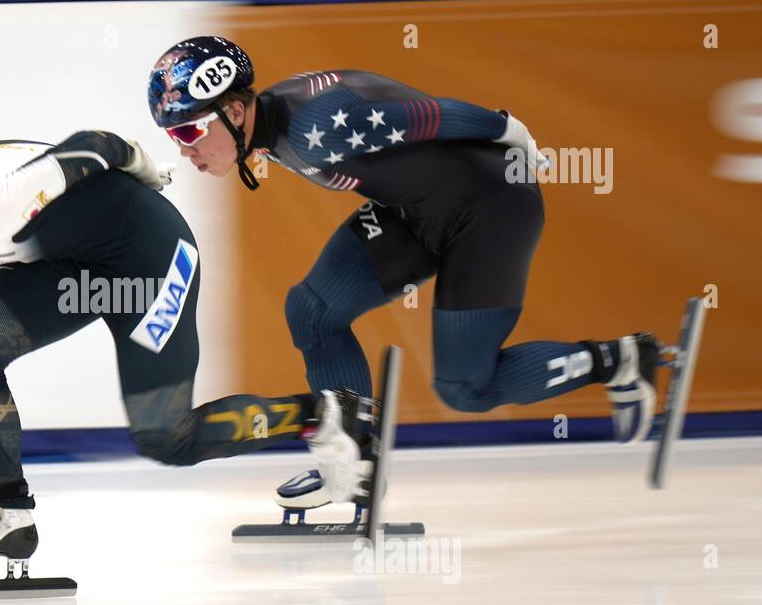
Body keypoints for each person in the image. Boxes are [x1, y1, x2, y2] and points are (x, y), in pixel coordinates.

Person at [0, 123, 342, 575]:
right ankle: (9, 516)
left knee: (166, 437)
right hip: (72, 263)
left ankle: (325, 416)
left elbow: (97, 145)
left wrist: (146, 173)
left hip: (149, 258)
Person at [146, 36, 660, 512]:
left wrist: (504, 126)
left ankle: (620, 359)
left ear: (234, 110)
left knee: (464, 388)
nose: (184, 147)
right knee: (313, 309)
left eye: (189, 130)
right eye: (173, 135)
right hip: (415, 211)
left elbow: (425, 117)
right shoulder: (275, 121)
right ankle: (355, 458)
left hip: (492, 209)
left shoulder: (310, 128)